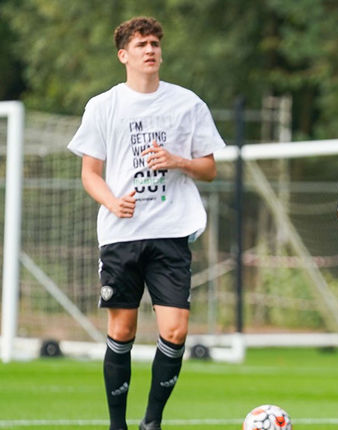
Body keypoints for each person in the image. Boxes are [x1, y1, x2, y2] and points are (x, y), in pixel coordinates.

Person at [67, 16, 225, 430]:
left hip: (171, 232)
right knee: (123, 328)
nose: (150, 50)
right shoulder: (103, 106)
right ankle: (117, 424)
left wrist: (179, 161)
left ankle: (151, 421)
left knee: (175, 330)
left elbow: (209, 169)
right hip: (122, 235)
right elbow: (90, 173)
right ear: (124, 55)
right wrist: (112, 203)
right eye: (141, 45)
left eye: (155, 43)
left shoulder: (187, 103)